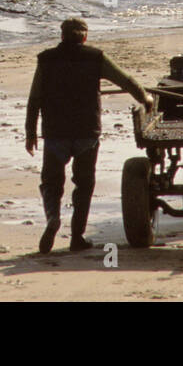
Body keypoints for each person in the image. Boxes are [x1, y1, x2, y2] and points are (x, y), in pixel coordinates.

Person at [25, 18, 153, 254]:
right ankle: (77, 236)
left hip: (55, 133)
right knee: (84, 184)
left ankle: (53, 217)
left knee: (51, 183)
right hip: (87, 132)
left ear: (62, 36)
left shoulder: (46, 59)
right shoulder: (95, 57)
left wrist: (30, 132)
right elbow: (125, 80)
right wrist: (145, 98)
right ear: (84, 37)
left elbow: (34, 99)